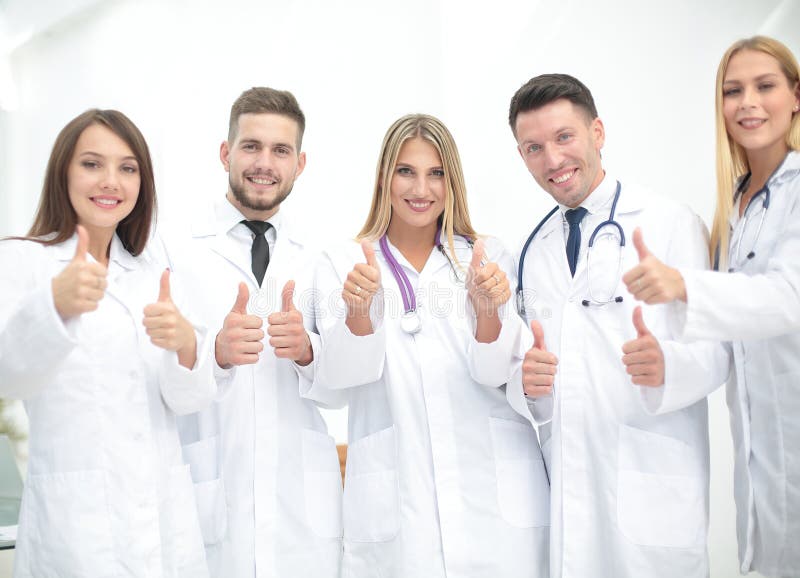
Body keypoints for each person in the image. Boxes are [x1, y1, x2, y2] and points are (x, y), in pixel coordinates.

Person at [503, 74, 728, 578]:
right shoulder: (531, 251)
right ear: (522, 156)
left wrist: (667, 366)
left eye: (564, 137)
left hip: (652, 483)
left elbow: (718, 351)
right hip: (570, 491)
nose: (553, 160)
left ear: (597, 132)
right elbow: (529, 371)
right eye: (534, 147)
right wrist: (527, 384)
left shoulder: (669, 223)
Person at [306, 113, 550, 577]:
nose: (421, 189)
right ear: (384, 177)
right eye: (406, 171)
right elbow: (342, 381)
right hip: (398, 509)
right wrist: (359, 312)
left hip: (493, 506)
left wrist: (487, 311)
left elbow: (497, 372)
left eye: (436, 173)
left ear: (451, 180)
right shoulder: (343, 262)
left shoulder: (487, 257)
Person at [0, 109, 216, 577]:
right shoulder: (21, 261)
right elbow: (9, 377)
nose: (111, 181)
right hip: (77, 529)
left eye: (127, 168)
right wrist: (53, 308)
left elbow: (191, 402)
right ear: (63, 172)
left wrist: (185, 346)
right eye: (92, 164)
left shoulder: (154, 275)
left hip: (163, 520)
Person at [623, 36, 800, 577]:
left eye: (765, 86)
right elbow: (729, 339)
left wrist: (683, 284)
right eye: (733, 91)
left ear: (796, 97)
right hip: (764, 459)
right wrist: (667, 360)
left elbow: (788, 298)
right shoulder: (735, 207)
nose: (748, 103)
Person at [157, 87, 342, 578]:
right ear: (226, 153)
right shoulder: (173, 247)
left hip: (300, 515)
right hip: (210, 493)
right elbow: (158, 376)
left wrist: (308, 352)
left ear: (300, 163)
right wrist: (214, 355)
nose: (265, 163)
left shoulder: (321, 253)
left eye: (281, 150)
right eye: (251, 146)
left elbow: (343, 387)